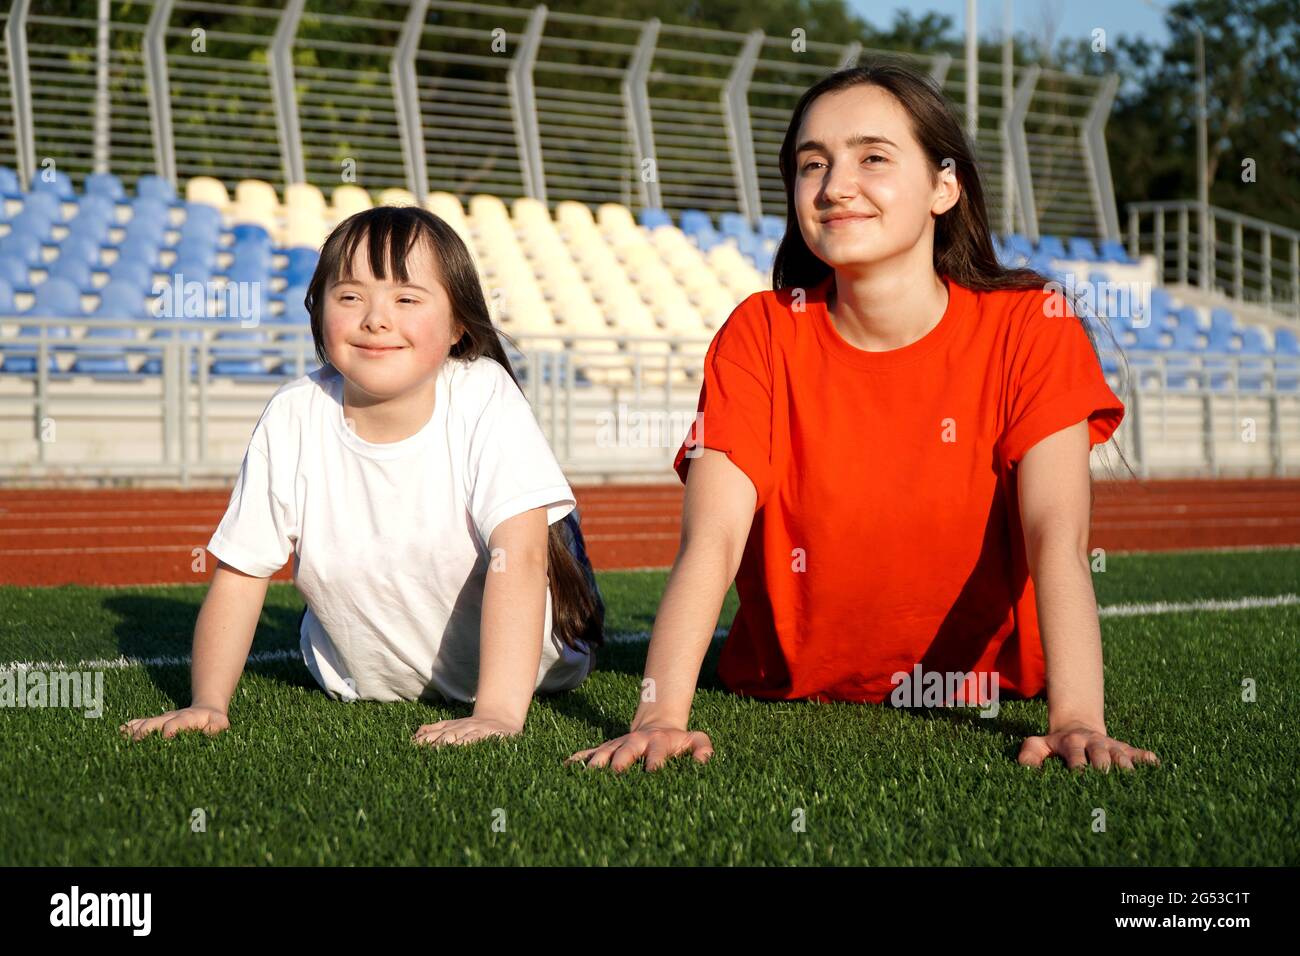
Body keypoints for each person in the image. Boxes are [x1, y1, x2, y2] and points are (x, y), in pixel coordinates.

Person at [567, 60, 1160, 774]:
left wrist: (1076, 721)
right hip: (781, 690)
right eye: (812, 164)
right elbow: (714, 537)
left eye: (872, 157)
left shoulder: (1032, 326)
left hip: (984, 692)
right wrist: (660, 718)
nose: (835, 186)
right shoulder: (761, 332)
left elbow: (1055, 535)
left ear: (946, 186)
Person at [121, 204, 604, 748]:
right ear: (318, 311)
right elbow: (242, 572)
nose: (375, 318)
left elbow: (521, 556)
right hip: (362, 684)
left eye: (406, 299)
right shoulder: (293, 413)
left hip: (537, 668)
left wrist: (496, 712)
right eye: (350, 297)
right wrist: (207, 702)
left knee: (540, 530)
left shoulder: (481, 392)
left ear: (457, 327)